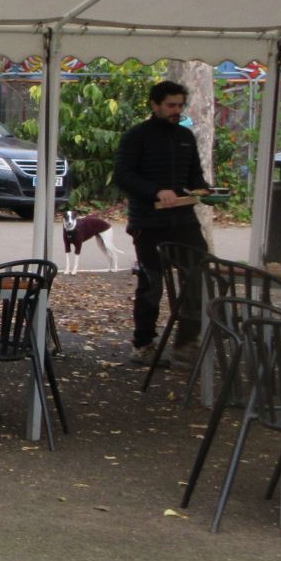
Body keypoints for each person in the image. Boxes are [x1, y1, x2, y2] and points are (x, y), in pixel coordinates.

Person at [114, 79, 210, 364]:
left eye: (180, 105)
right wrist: (156, 191)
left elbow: (194, 175)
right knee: (152, 282)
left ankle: (186, 341)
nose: (176, 110)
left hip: (184, 220)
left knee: (198, 273)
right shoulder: (136, 136)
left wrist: (203, 189)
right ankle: (143, 343)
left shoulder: (185, 136)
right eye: (170, 105)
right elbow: (123, 176)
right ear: (154, 105)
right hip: (148, 222)